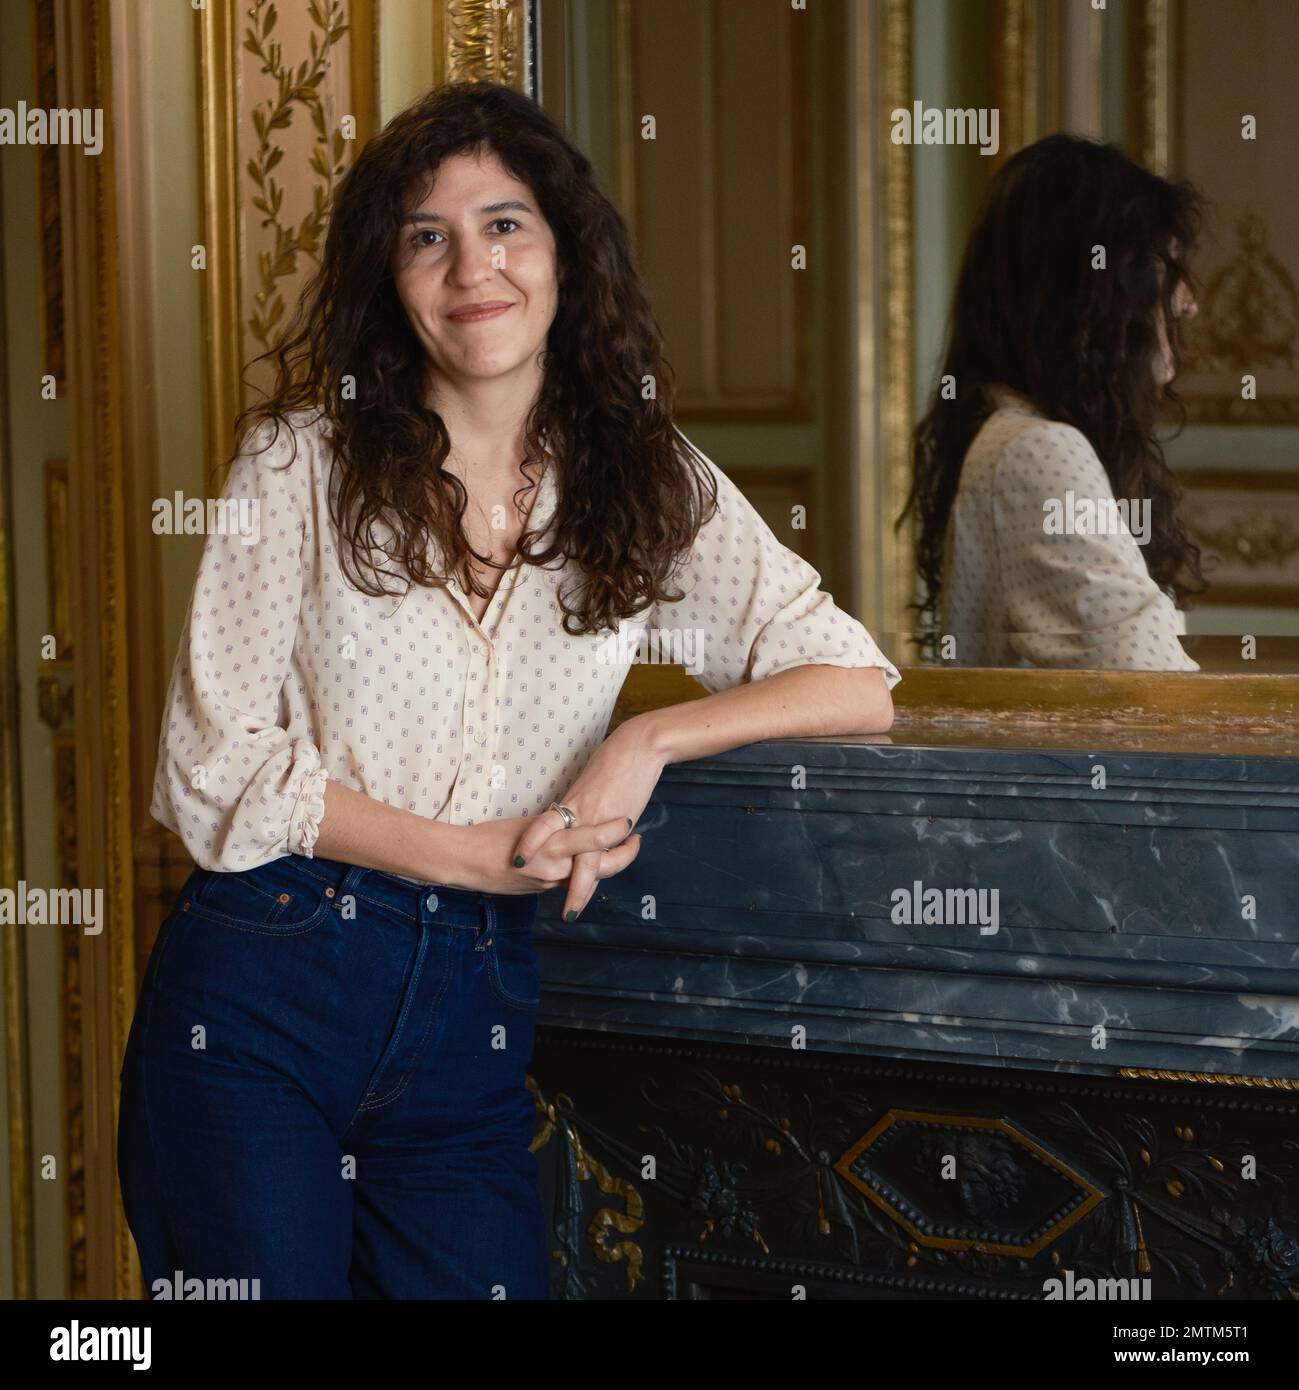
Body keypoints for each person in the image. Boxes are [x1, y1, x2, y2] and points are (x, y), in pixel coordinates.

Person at [118, 81, 899, 1300]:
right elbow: (206, 761)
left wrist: (648, 736)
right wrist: (467, 856)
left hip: (471, 1016)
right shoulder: (297, 465)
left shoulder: (641, 480)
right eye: (428, 235)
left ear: (565, 257)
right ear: (392, 274)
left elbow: (855, 679)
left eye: (504, 224)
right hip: (265, 996)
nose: (470, 264)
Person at [902, 134, 1207, 670]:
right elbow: (1153, 688)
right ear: (1096, 295)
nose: (1187, 301)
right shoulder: (1039, 452)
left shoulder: (1020, 437)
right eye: (1165, 266)